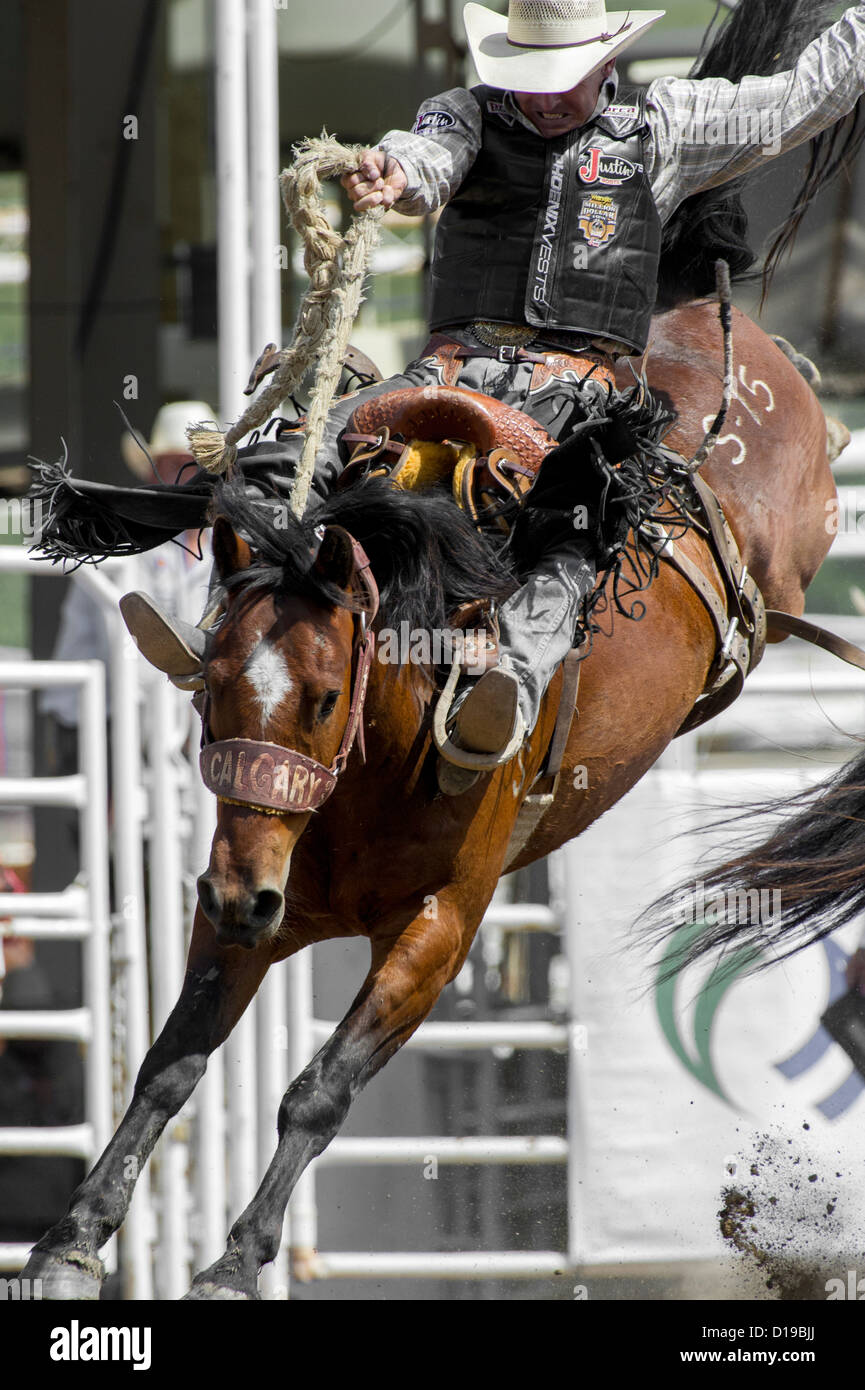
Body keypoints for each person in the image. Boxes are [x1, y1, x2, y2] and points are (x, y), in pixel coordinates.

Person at [122, 0, 865, 770]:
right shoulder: (466, 116)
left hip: (577, 386)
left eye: (561, 80)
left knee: (582, 517)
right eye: (529, 78)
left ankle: (509, 675)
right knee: (285, 461)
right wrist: (394, 172)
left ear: (604, 64)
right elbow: (426, 157)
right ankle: (226, 630)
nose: (543, 98)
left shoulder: (663, 128)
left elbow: (800, 98)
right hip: (447, 368)